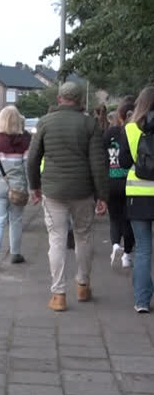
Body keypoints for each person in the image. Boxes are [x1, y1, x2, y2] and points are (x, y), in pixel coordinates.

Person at [28, 82, 109, 312]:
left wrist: (34, 185)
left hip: (53, 192)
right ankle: (83, 285)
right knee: (83, 237)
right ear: (80, 101)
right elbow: (98, 163)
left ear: (60, 98)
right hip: (83, 192)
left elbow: (33, 158)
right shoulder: (89, 124)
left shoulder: (45, 122)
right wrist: (102, 195)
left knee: (56, 239)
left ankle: (59, 294)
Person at [0, 106, 32, 270]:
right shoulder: (24, 141)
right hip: (17, 187)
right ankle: (15, 254)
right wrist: (31, 187)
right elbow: (27, 167)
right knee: (16, 220)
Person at [118, 86, 154, 314]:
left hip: (138, 196)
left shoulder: (130, 129)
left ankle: (142, 301)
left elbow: (122, 162)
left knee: (142, 250)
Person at [105, 101, 137, 270]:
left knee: (114, 218)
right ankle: (127, 255)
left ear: (119, 115)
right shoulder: (135, 132)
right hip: (130, 182)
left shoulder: (110, 133)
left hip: (111, 181)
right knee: (128, 219)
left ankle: (115, 244)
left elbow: (102, 157)